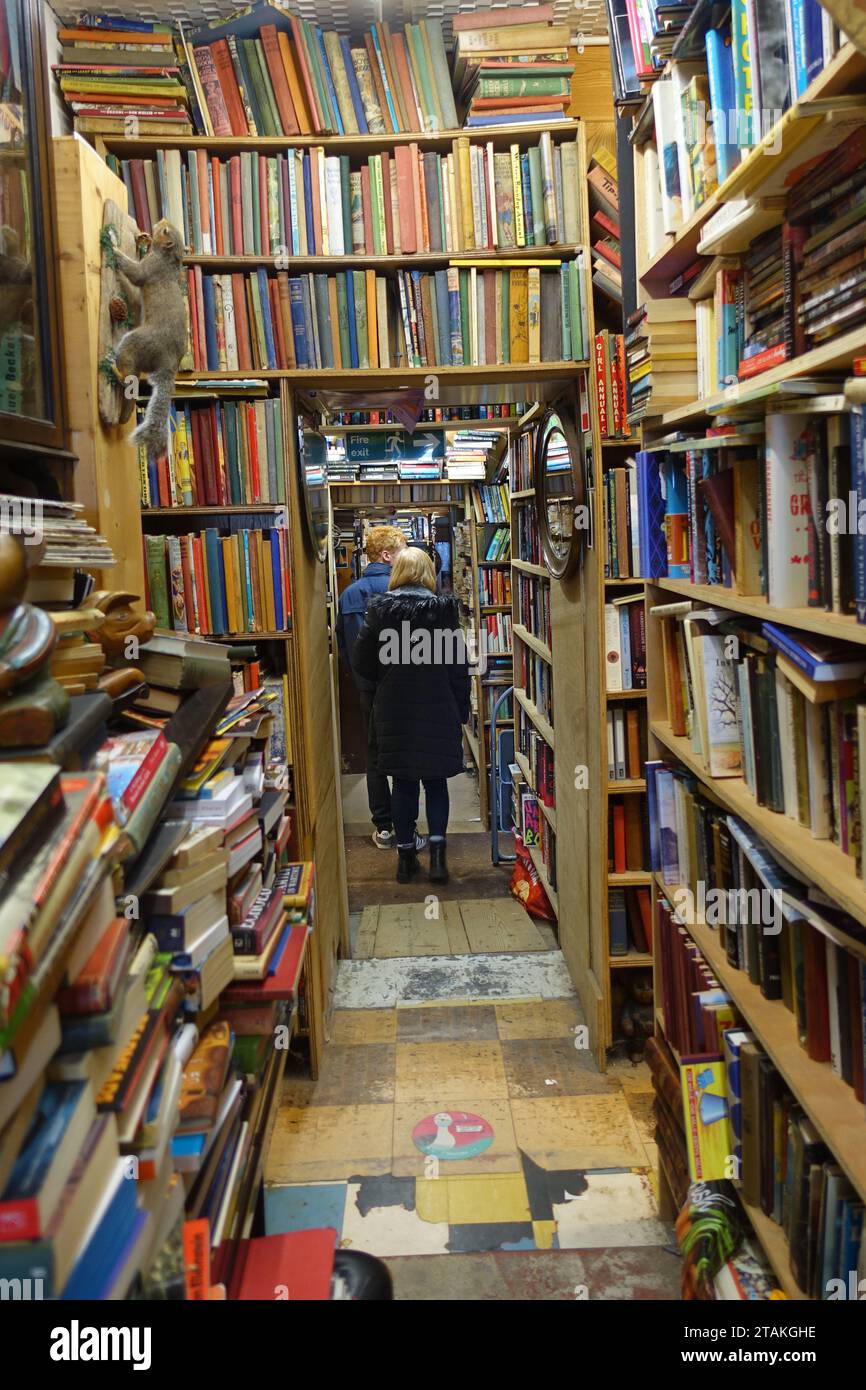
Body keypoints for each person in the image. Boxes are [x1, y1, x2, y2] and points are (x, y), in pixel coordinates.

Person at [351, 547, 471, 885]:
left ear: (397, 573)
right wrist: (461, 709)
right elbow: (457, 668)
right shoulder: (445, 613)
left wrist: (388, 676)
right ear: (428, 574)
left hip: (394, 711)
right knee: (436, 784)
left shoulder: (379, 612)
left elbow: (361, 662)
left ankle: (405, 860)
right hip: (438, 707)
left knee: (403, 784)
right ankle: (437, 860)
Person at [337, 524, 422, 852]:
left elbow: (349, 652)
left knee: (375, 757)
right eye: (401, 550)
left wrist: (363, 681)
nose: (406, 557)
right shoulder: (408, 593)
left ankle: (384, 828)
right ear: (387, 555)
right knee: (406, 755)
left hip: (369, 689)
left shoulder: (348, 596)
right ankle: (408, 830)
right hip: (405, 689)